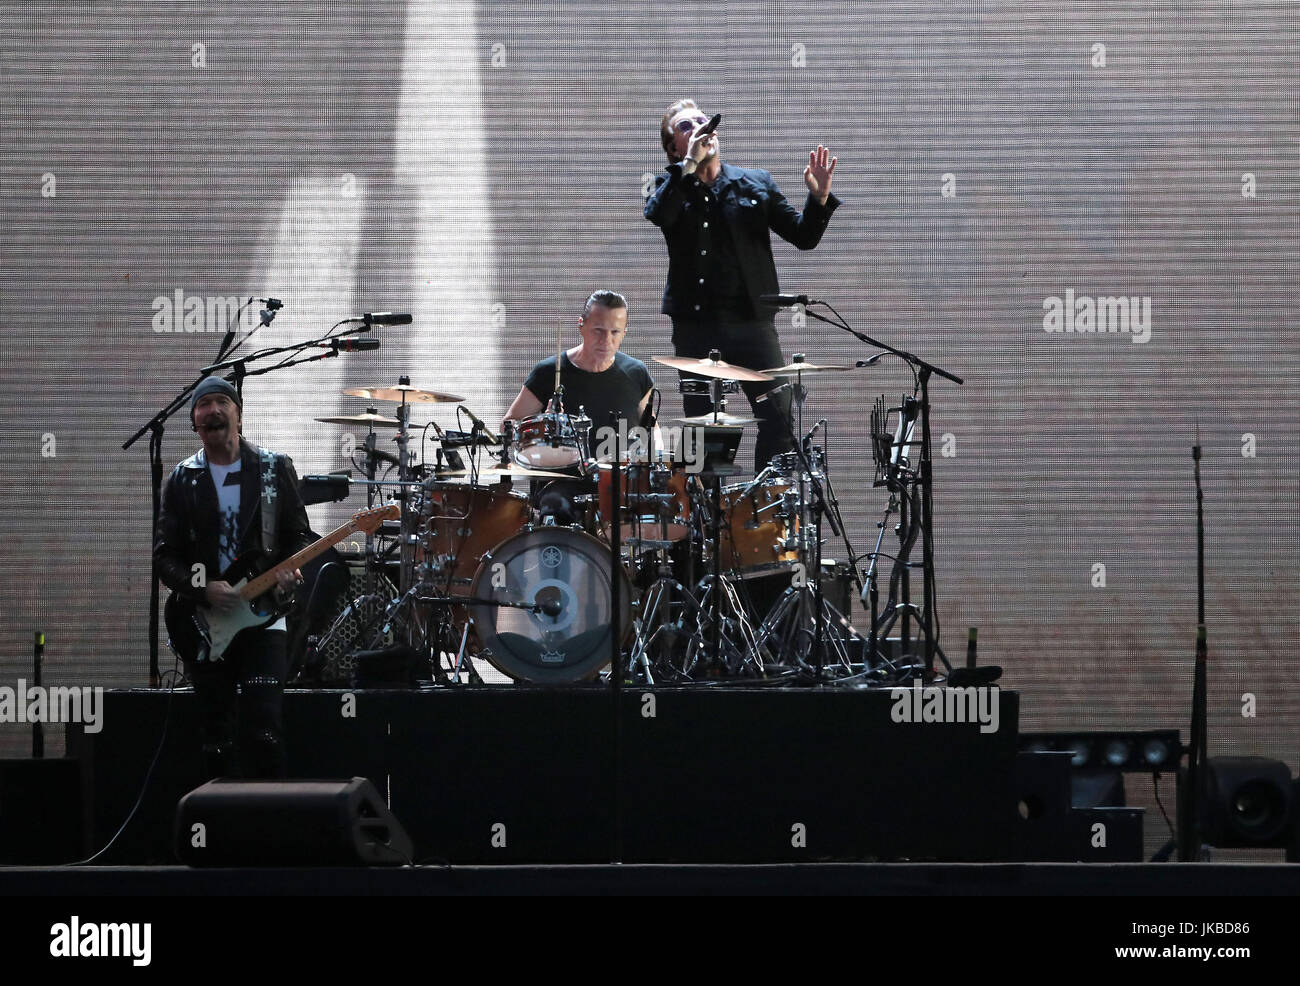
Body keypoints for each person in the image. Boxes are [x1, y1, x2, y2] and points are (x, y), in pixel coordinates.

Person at [644, 98, 840, 470]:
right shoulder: (670, 186)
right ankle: (704, 519)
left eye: (703, 120)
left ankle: (762, 514)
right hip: (696, 328)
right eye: (687, 126)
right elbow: (659, 214)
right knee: (700, 429)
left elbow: (804, 236)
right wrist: (688, 167)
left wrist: (819, 197)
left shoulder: (755, 182)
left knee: (779, 421)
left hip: (752, 323)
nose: (701, 127)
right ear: (673, 147)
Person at [154, 376, 314, 780]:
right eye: (203, 404)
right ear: (194, 422)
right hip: (205, 623)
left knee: (264, 730)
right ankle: (219, 828)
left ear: (238, 415)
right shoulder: (181, 478)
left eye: (221, 401)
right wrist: (201, 587)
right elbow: (165, 556)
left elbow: (299, 537)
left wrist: (290, 572)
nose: (212, 410)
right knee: (216, 735)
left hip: (265, 617)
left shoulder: (275, 468)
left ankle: (269, 825)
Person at [502, 290, 657, 525]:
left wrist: (654, 462)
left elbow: (651, 429)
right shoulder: (548, 372)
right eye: (599, 331)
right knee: (556, 506)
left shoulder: (635, 373)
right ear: (581, 325)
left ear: (625, 332)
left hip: (619, 483)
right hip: (562, 486)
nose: (607, 341)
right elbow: (507, 427)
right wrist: (543, 423)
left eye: (615, 332)